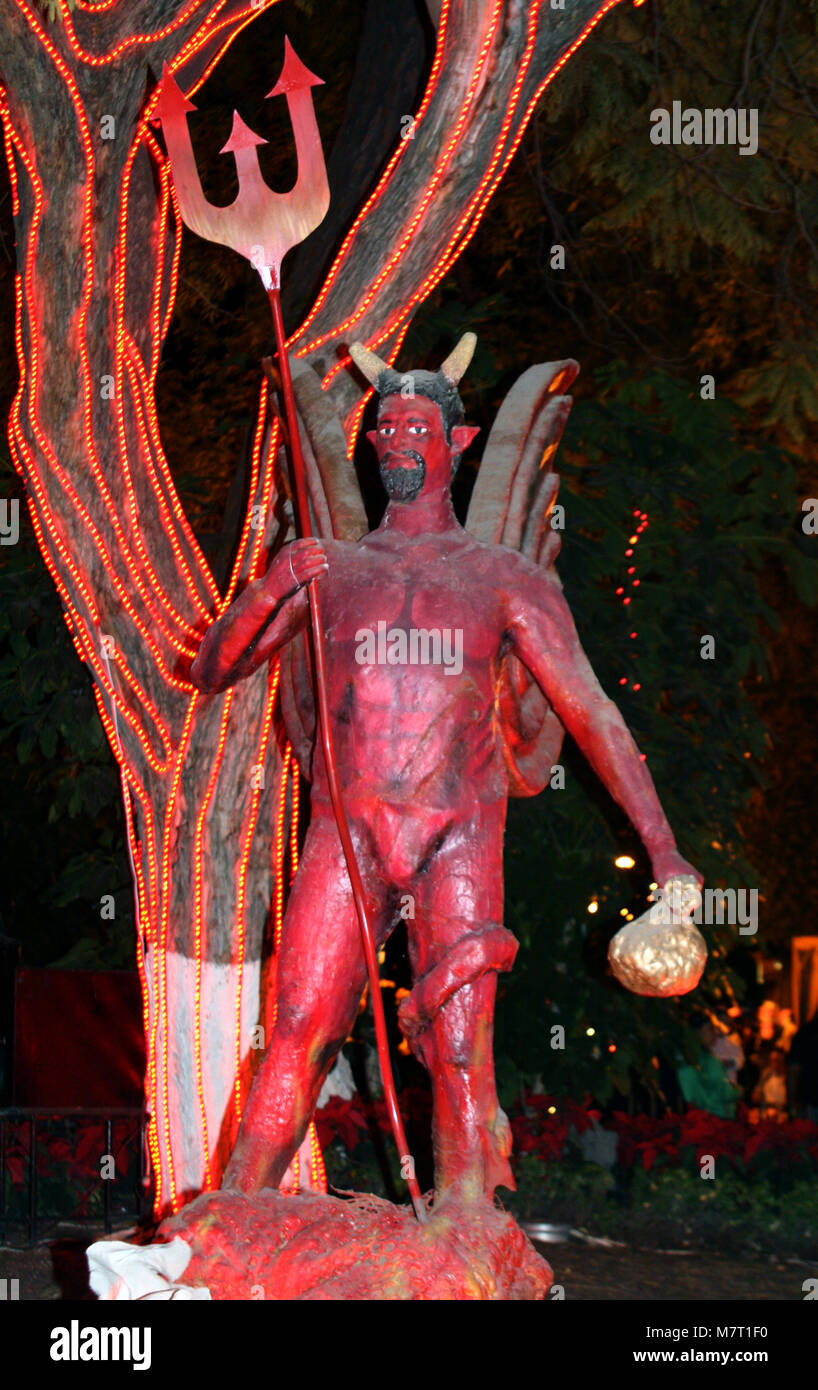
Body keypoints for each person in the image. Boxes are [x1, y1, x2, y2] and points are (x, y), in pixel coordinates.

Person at [191, 333, 701, 1203]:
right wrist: (274, 583)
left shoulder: (499, 577)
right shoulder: (329, 568)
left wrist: (664, 852)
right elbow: (214, 667)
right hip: (345, 834)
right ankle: (231, 1215)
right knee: (298, 1031)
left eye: (414, 428)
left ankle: (465, 1233)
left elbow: (592, 713)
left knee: (462, 1053)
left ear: (458, 445)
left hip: (458, 836)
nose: (394, 442)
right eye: (383, 428)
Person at [787, 1009, 818, 1122]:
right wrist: (792, 1103)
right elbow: (793, 1069)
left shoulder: (806, 1032)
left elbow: (793, 1069)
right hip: (810, 1100)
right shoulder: (807, 1032)